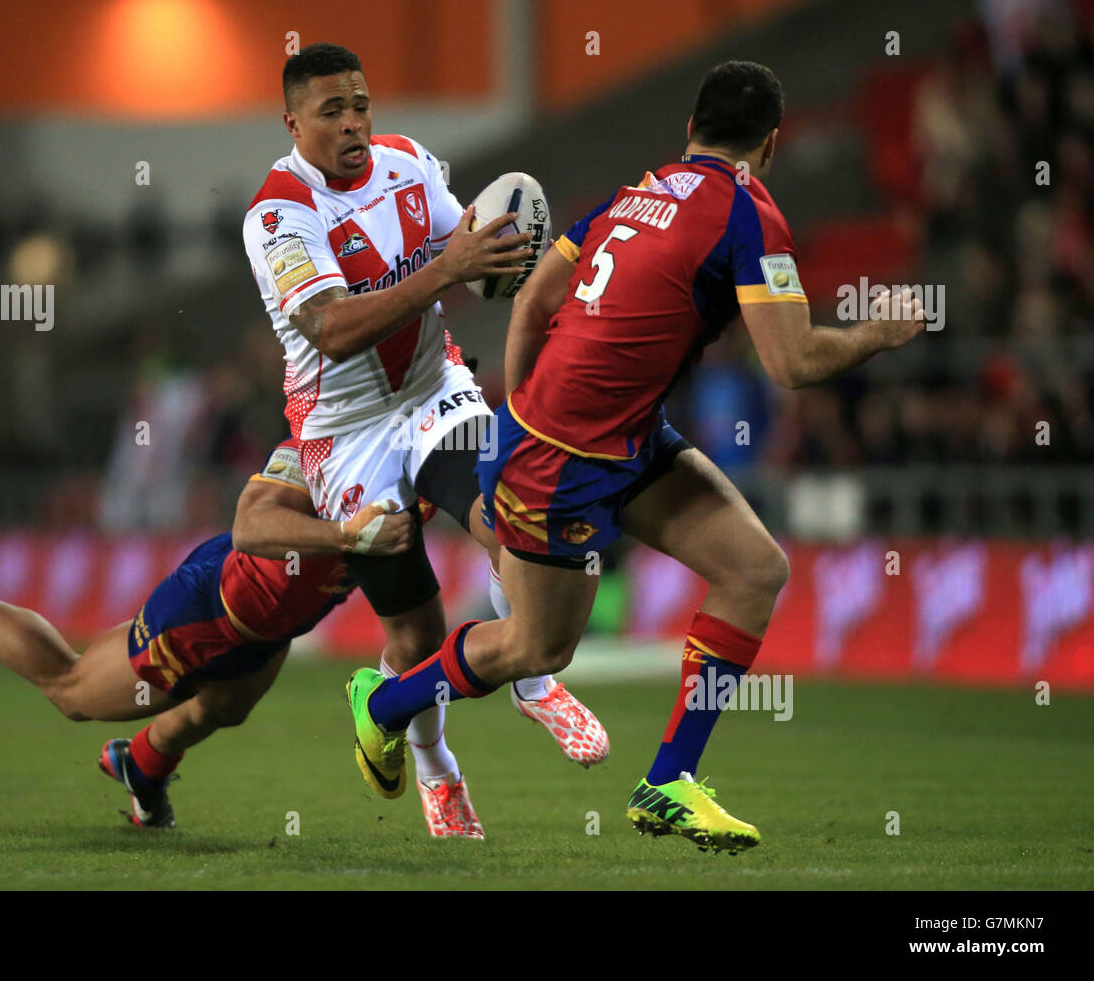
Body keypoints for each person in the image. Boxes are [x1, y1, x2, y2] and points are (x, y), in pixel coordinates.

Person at [345, 61, 928, 853]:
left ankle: (669, 783)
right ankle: (383, 706)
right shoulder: (749, 213)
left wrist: (520, 410)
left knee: (755, 570)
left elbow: (536, 299)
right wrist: (878, 335)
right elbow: (791, 364)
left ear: (690, 128)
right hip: (562, 462)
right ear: (773, 143)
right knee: (535, 650)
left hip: (612, 437)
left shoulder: (633, 195)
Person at [242, 43, 610, 813]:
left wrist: (533, 266)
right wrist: (447, 268)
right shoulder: (279, 215)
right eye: (331, 111)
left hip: (435, 390)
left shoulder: (410, 163)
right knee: (414, 636)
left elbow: (478, 261)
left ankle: (536, 680)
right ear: (292, 122)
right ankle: (440, 772)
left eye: (361, 105)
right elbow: (333, 329)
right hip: (344, 433)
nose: (353, 124)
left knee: (508, 517)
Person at [0, 439, 428, 831]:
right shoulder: (318, 447)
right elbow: (251, 526)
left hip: (267, 630)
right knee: (73, 690)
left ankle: (140, 764)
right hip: (208, 614)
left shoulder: (416, 466)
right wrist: (346, 535)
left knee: (221, 710)